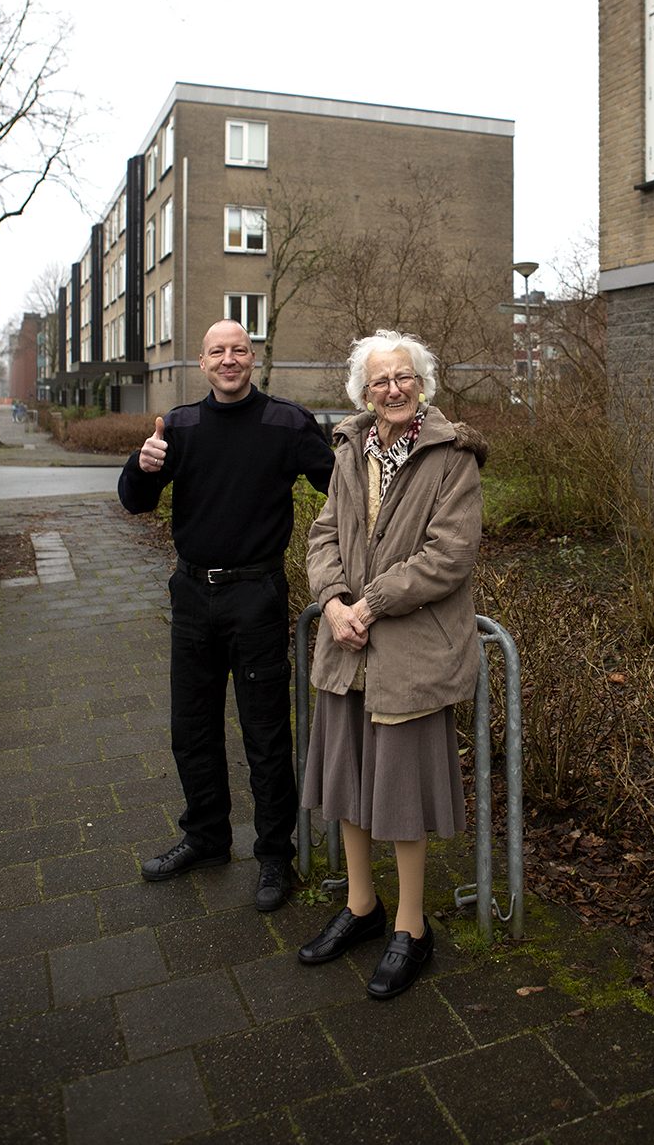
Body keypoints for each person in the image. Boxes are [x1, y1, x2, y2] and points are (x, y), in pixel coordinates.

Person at [117, 320, 334, 911]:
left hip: (254, 595)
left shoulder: (287, 423)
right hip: (191, 594)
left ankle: (273, 857)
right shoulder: (180, 426)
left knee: (265, 733)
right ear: (202, 361)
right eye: (218, 351)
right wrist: (143, 463)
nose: (229, 359)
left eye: (239, 349)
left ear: (254, 357)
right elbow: (134, 502)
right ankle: (206, 838)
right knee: (191, 727)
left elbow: (341, 489)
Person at [298, 329, 487, 999]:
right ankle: (360, 906)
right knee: (348, 782)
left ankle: (412, 926)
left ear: (422, 382)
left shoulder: (451, 456)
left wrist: (369, 604)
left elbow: (448, 556)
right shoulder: (350, 449)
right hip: (348, 645)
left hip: (410, 651)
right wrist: (332, 602)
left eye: (403, 376)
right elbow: (323, 536)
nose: (393, 388)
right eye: (380, 380)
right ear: (364, 391)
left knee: (401, 794)